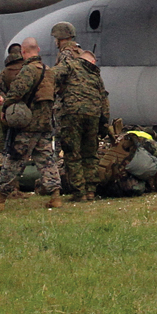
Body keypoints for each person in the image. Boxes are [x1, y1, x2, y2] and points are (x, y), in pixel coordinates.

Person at [50, 31, 112, 207]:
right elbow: (104, 100)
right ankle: (91, 190)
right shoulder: (95, 75)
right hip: (93, 116)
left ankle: (79, 192)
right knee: (90, 154)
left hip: (72, 114)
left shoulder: (70, 65)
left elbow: (54, 74)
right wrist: (104, 123)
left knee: (72, 154)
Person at [3, 36, 60, 200]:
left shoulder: (28, 70)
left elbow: (16, 91)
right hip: (45, 123)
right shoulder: (48, 70)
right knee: (47, 160)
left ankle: (0, 197)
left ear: (23, 52)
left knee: (14, 158)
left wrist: (6, 107)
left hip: (29, 124)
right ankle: (55, 195)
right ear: (39, 50)